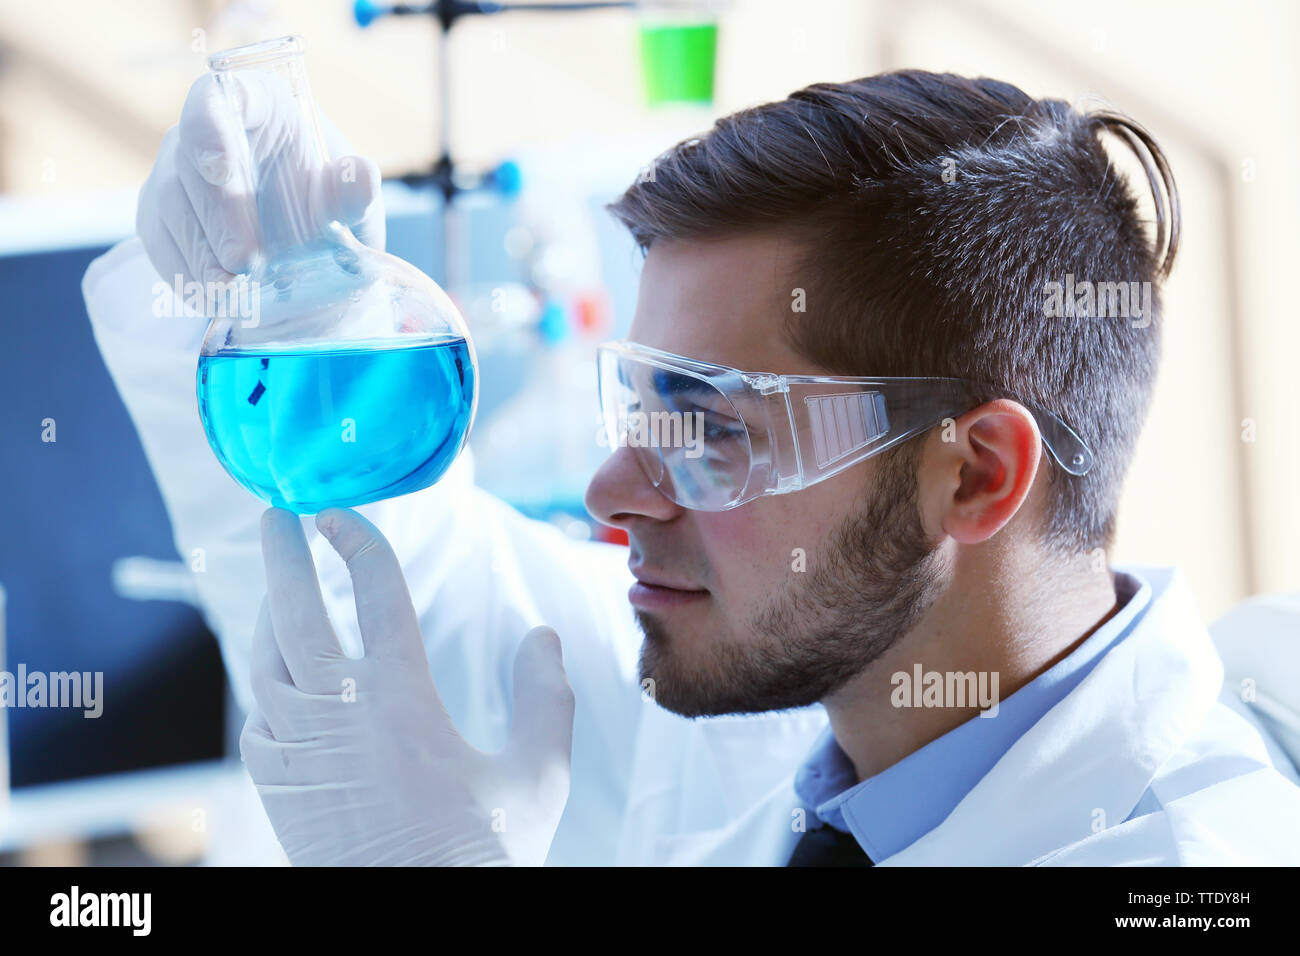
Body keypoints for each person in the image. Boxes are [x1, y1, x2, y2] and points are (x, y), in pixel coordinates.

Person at [83, 68, 1300, 866]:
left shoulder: (1192, 869)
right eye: (640, 403)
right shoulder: (836, 722)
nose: (613, 494)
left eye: (713, 427)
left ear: (974, 475)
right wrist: (276, 283)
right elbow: (426, 616)